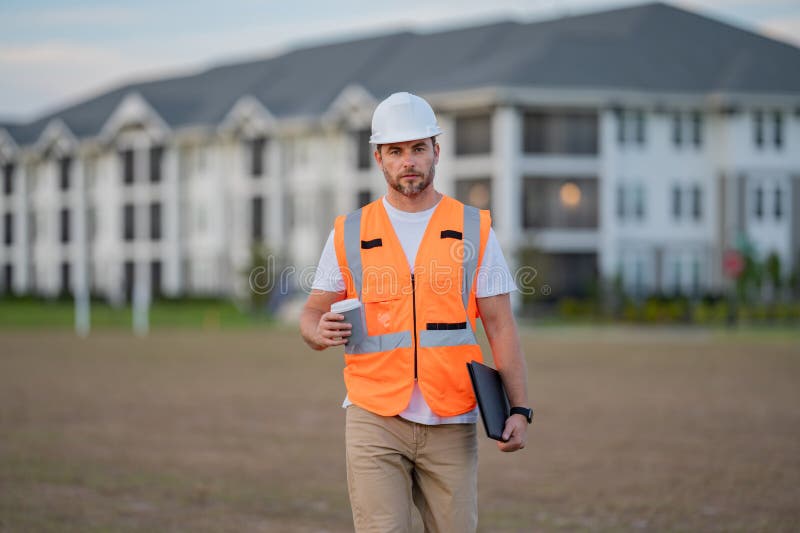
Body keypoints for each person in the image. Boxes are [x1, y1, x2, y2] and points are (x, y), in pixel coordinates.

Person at [300, 91, 531, 533]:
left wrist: (519, 409)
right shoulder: (349, 232)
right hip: (374, 415)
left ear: (436, 152)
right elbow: (312, 312)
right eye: (396, 151)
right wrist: (316, 331)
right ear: (379, 158)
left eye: (418, 148)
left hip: (451, 416)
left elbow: (501, 326)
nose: (408, 161)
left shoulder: (473, 229)